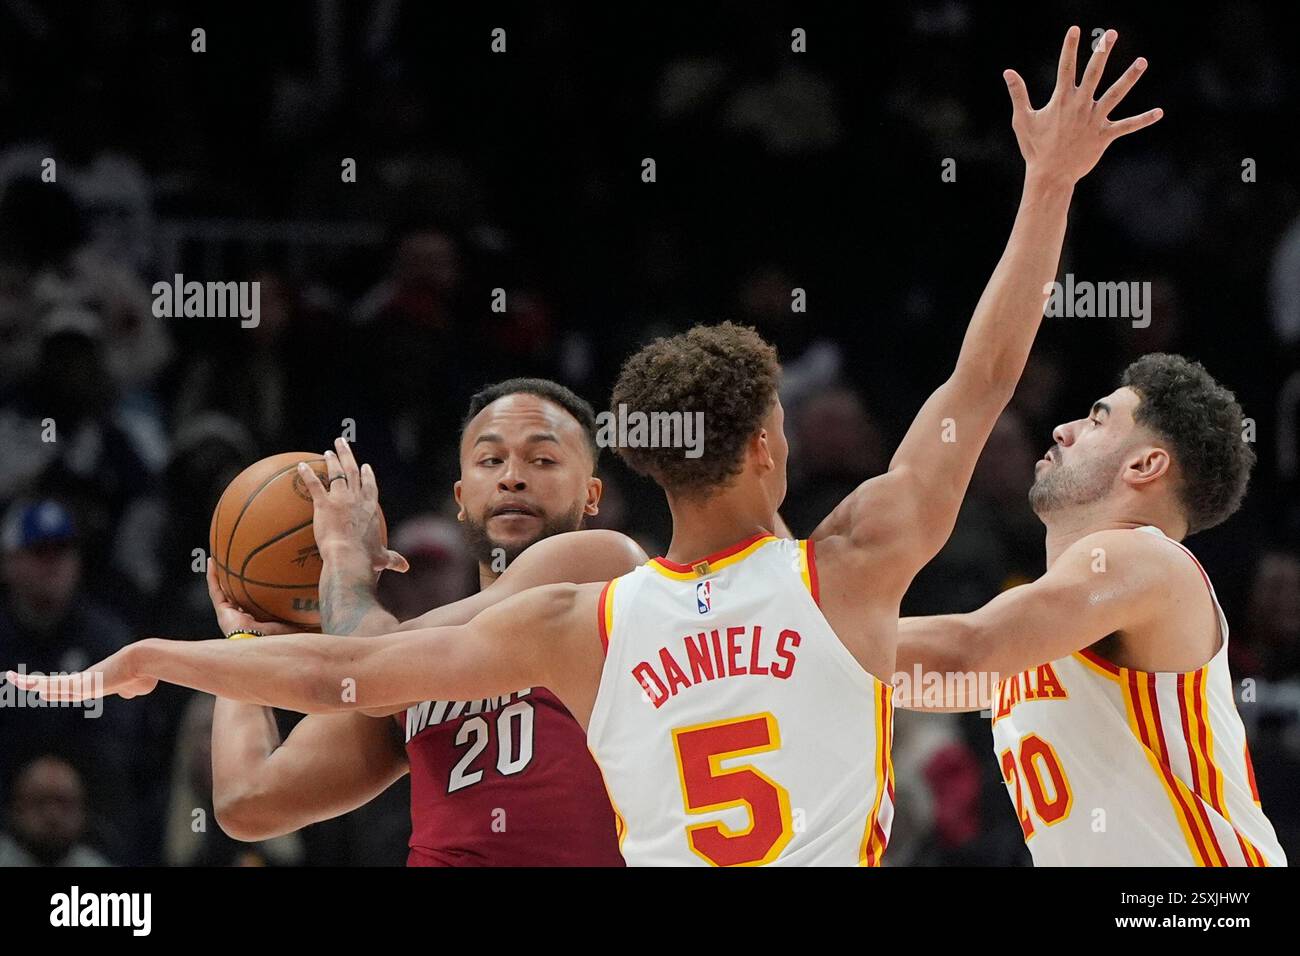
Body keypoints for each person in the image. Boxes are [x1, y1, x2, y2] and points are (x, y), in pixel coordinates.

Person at [11, 27, 1164, 866]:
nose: (512, 471)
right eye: (490, 452)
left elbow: (339, 667)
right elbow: (982, 376)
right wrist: (1048, 184)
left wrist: (166, 655)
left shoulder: (583, 615)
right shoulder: (849, 563)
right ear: (770, 446)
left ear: (632, 475)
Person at [207, 379, 646, 866]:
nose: (512, 478)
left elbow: (362, 667)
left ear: (591, 496)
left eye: (543, 460)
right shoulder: (413, 667)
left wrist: (342, 556)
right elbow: (247, 802)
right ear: (460, 497)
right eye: (489, 460)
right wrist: (244, 636)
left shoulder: (606, 568)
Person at [896, 355, 1287, 866]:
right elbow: (926, 675)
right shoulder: (1055, 624)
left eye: (1097, 421)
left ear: (1145, 465)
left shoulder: (1147, 558)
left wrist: (798, 625)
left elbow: (967, 650)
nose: (1063, 430)